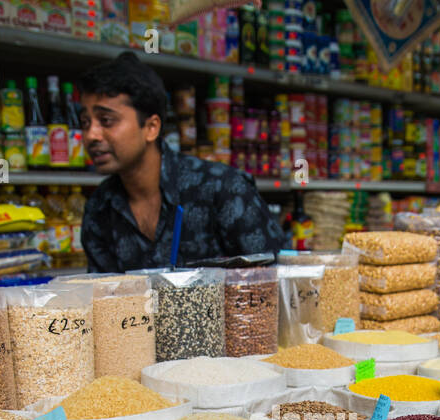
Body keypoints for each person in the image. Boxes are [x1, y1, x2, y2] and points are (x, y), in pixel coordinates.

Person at [78, 52, 285, 272]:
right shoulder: (99, 209)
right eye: (85, 122)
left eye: (106, 121)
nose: (91, 135)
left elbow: (277, 279)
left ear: (151, 128)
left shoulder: (221, 188)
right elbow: (102, 298)